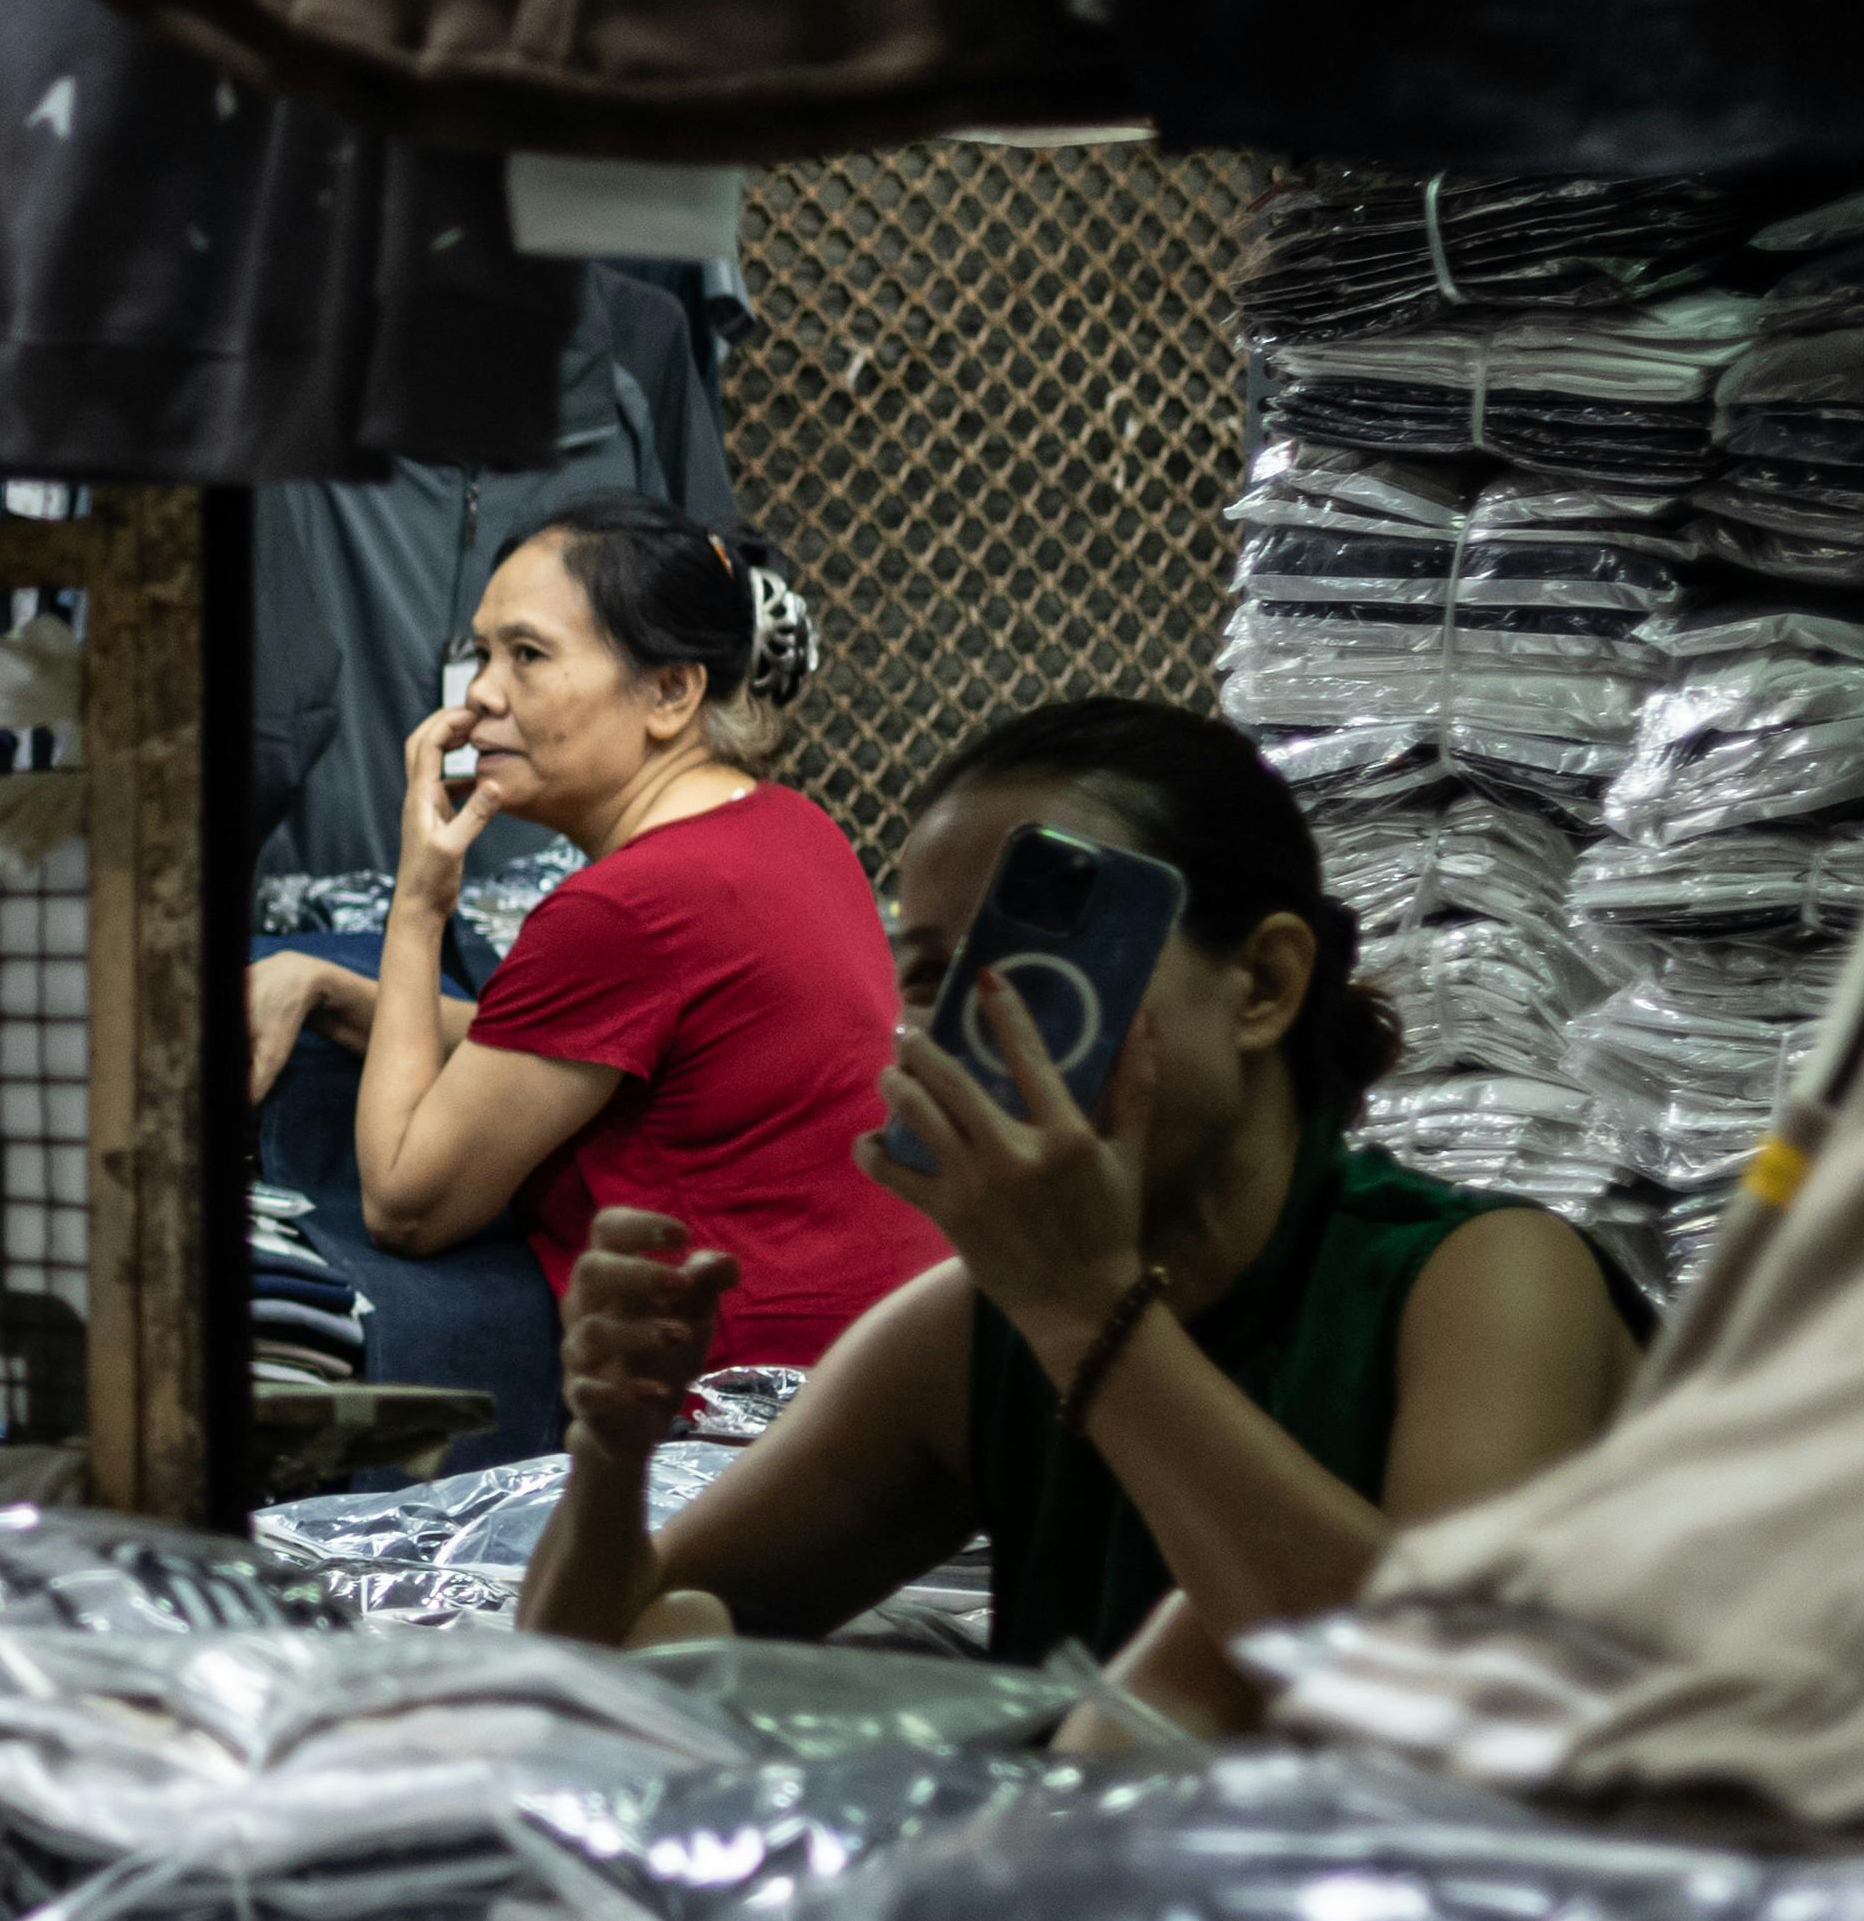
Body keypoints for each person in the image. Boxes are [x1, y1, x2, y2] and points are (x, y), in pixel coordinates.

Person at [516, 697, 1644, 1724]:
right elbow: (592, 1671)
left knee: (1184, 1674)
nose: (987, 1020)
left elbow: (1447, 1706)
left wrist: (1086, 1311)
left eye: (1043, 955)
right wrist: (609, 1449)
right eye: (929, 976)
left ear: (1259, 986)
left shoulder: (1477, 1277)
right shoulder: (966, 1335)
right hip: (1139, 1904)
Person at [243, 506, 932, 1370]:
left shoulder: (630, 907)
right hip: (885, 1362)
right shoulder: (789, 826)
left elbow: (406, 1203)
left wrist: (419, 900)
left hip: (749, 1409)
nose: (481, 693)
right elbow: (557, 1060)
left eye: (527, 656)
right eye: (483, 653)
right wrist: (328, 988)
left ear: (671, 693)